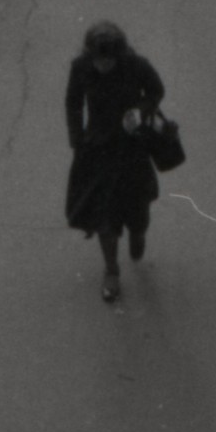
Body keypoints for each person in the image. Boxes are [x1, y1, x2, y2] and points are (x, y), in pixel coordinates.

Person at [63, 23, 166, 304]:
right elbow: (73, 104)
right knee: (104, 218)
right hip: (98, 150)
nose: (104, 65)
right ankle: (111, 270)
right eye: (99, 59)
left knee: (138, 210)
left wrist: (140, 110)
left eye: (109, 59)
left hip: (132, 148)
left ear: (119, 55)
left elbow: (156, 91)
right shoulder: (81, 67)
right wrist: (77, 140)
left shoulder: (136, 66)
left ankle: (138, 234)